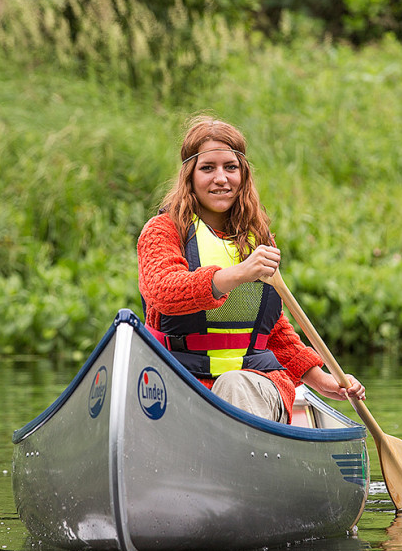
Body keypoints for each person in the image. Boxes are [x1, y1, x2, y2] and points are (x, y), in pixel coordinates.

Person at [137, 114, 365, 424]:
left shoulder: (257, 237)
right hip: (180, 379)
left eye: (231, 167)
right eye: (207, 168)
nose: (221, 178)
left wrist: (323, 381)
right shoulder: (163, 231)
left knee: (234, 384)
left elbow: (272, 331)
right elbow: (164, 292)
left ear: (243, 175)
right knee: (218, 390)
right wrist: (240, 273)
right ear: (189, 176)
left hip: (256, 380)